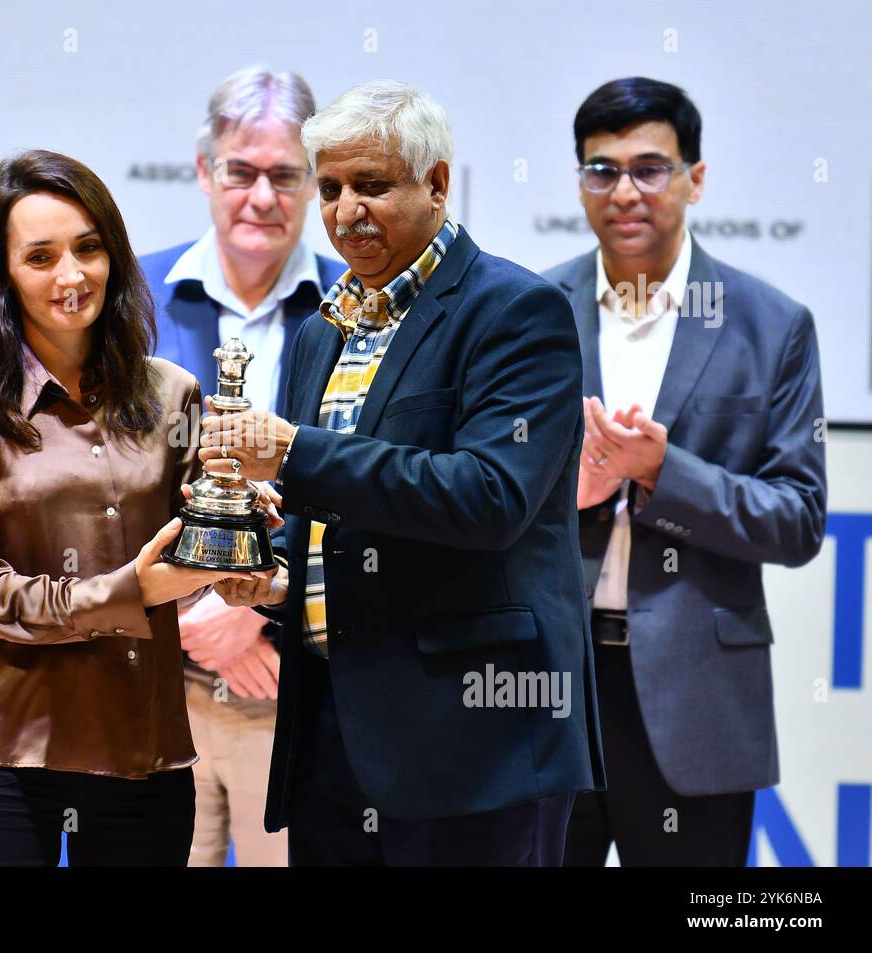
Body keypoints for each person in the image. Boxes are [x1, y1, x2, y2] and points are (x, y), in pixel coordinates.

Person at [204, 80, 605, 866]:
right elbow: (333, 528)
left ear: (438, 183)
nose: (346, 209)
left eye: (372, 185)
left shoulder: (517, 311)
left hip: (476, 743)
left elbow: (490, 497)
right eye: (330, 188)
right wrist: (273, 582)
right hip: (331, 733)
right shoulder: (323, 330)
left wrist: (290, 452)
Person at [0, 149, 266, 867]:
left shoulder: (173, 394)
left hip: (146, 756)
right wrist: (130, 591)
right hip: (2, 758)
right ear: (2, 274)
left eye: (88, 248)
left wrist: (244, 531)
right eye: (41, 257)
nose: (72, 276)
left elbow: (201, 547)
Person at [542, 77, 827, 866]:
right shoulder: (531, 309)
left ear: (695, 178)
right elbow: (479, 488)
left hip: (698, 691)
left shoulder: (770, 325)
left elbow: (799, 517)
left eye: (650, 167)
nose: (624, 191)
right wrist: (571, 494)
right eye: (602, 170)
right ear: (579, 183)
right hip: (550, 684)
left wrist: (665, 473)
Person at [139, 65, 342, 867]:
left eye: (286, 176)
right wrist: (187, 617)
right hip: (151, 680)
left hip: (283, 682)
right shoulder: (132, 297)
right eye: (241, 172)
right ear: (204, 171)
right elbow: (99, 476)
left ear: (315, 181)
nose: (261, 197)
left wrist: (257, 610)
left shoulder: (354, 304)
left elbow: (359, 480)